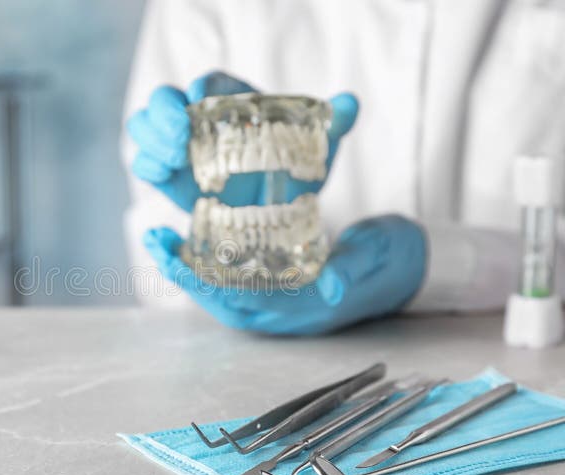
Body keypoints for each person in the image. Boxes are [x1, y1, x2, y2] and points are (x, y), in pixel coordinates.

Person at [122, 0, 565, 334]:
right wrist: (224, 240)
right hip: (257, 376)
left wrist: (445, 262)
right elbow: (158, 268)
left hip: (527, 357)